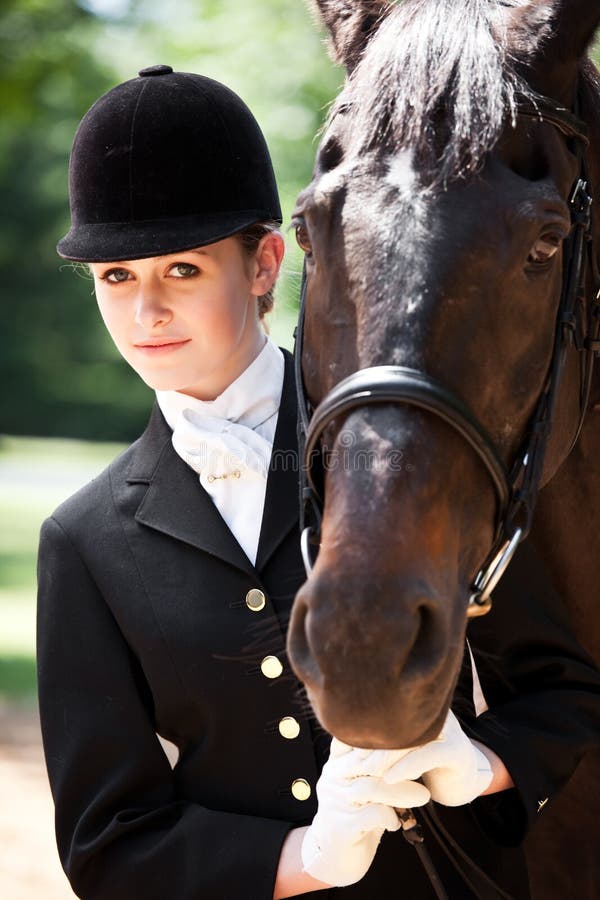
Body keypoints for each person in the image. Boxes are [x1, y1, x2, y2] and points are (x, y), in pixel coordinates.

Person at [37, 65, 600, 900]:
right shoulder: (82, 541)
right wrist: (305, 858)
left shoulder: (416, 451)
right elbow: (108, 843)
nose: (145, 311)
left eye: (181, 270)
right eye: (116, 278)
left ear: (265, 262)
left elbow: (570, 690)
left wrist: (476, 764)